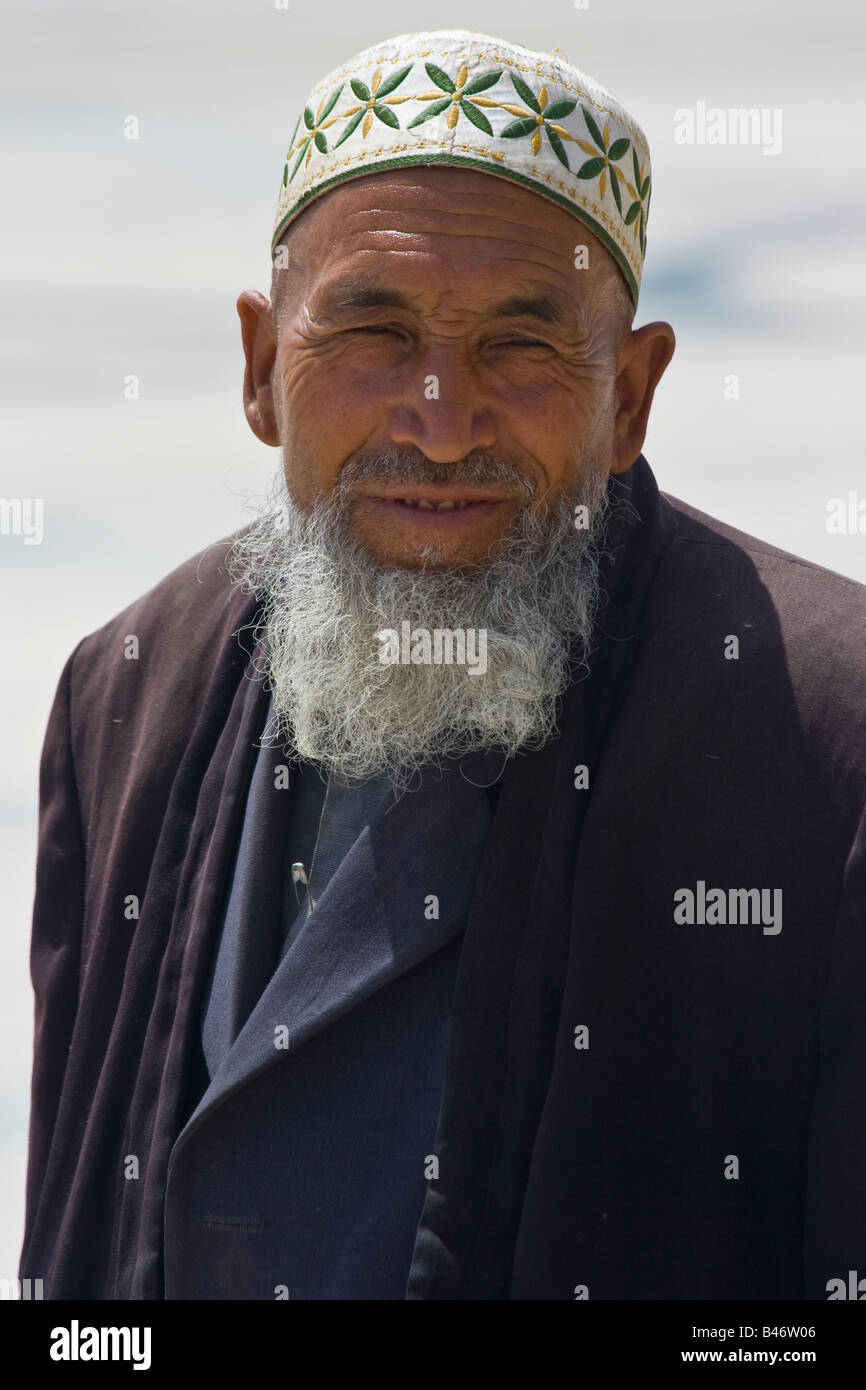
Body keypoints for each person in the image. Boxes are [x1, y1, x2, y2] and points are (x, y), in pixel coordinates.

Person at [20, 28, 866, 1300]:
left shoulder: (823, 736)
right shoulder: (127, 694)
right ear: (260, 370)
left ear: (628, 396)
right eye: (372, 328)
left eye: (522, 347)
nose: (440, 417)